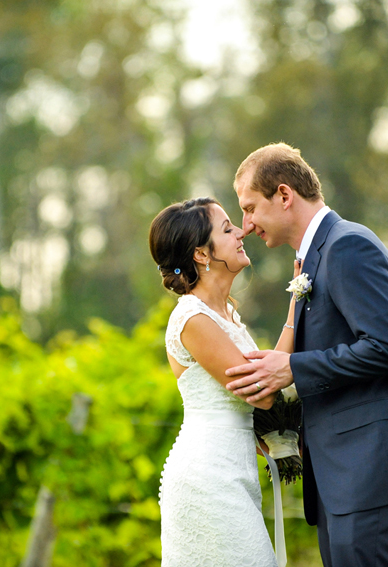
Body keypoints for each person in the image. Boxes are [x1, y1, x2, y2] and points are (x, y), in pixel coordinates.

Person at [224, 143, 388, 567]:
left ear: (284, 194)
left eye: (250, 207)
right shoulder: (316, 255)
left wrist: (293, 369)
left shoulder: (348, 247)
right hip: (345, 477)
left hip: (369, 474)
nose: (246, 225)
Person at [149, 197, 298, 567]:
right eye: (228, 228)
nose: (241, 231)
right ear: (201, 253)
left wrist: (299, 298)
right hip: (207, 478)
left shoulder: (227, 313)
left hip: (235, 472)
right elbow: (261, 393)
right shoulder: (192, 319)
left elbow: (271, 368)